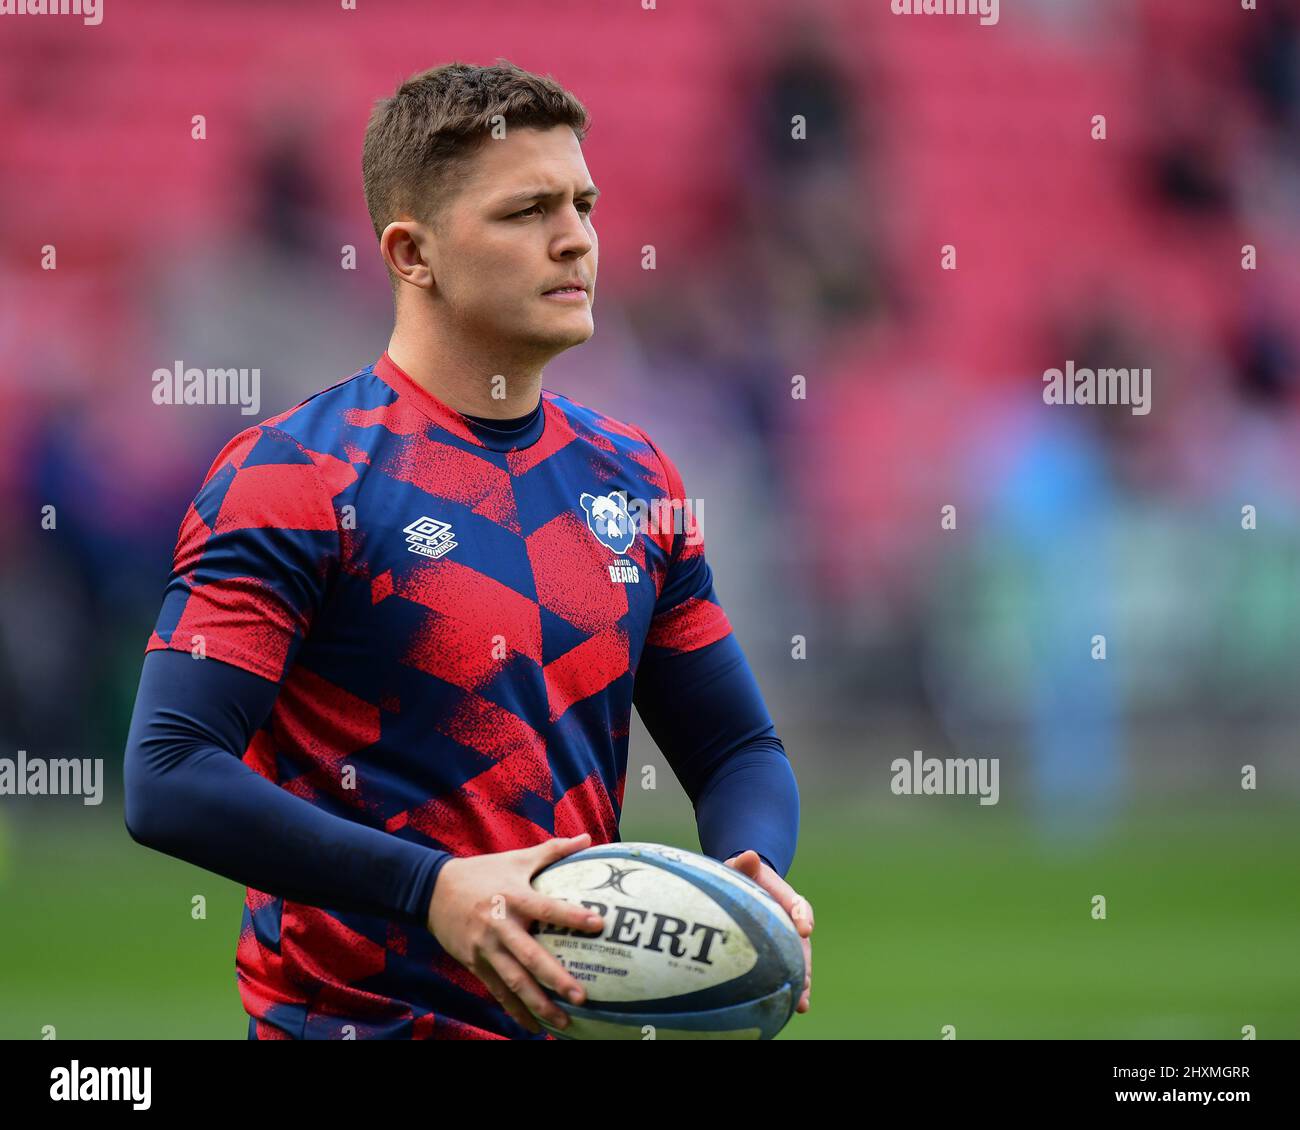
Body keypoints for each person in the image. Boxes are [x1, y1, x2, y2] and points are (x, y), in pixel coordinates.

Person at [123, 59, 809, 1040]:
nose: (575, 237)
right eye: (527, 210)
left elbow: (737, 746)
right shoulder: (295, 475)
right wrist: (430, 886)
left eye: (583, 201)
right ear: (412, 253)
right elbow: (168, 772)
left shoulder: (636, 477)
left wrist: (751, 877)